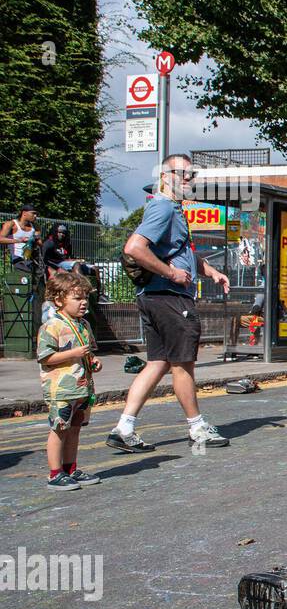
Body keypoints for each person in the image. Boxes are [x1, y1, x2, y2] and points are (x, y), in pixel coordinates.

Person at [107, 153, 231, 454]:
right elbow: (134, 248)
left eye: (192, 175)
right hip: (169, 298)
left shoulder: (172, 208)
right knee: (183, 363)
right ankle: (197, 426)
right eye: (183, 174)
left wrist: (210, 271)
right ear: (165, 176)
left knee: (158, 362)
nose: (189, 180)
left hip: (154, 296)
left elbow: (180, 254)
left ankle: (124, 427)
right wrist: (171, 273)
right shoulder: (163, 207)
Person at [37, 272, 102, 490]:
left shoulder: (84, 325)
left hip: (81, 388)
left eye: (85, 297)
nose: (84, 302)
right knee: (59, 429)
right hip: (61, 390)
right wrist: (73, 353)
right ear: (59, 300)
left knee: (75, 430)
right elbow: (45, 357)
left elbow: (88, 352)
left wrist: (93, 361)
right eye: (77, 298)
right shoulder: (51, 327)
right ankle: (55, 474)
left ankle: (70, 468)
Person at [1, 205, 40, 273]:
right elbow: (0, 239)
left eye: (36, 214)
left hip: (29, 259)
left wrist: (35, 240)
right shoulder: (11, 224)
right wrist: (19, 240)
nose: (35, 216)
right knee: (32, 272)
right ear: (24, 213)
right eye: (33, 213)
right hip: (16, 259)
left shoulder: (35, 226)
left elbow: (40, 243)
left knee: (43, 272)